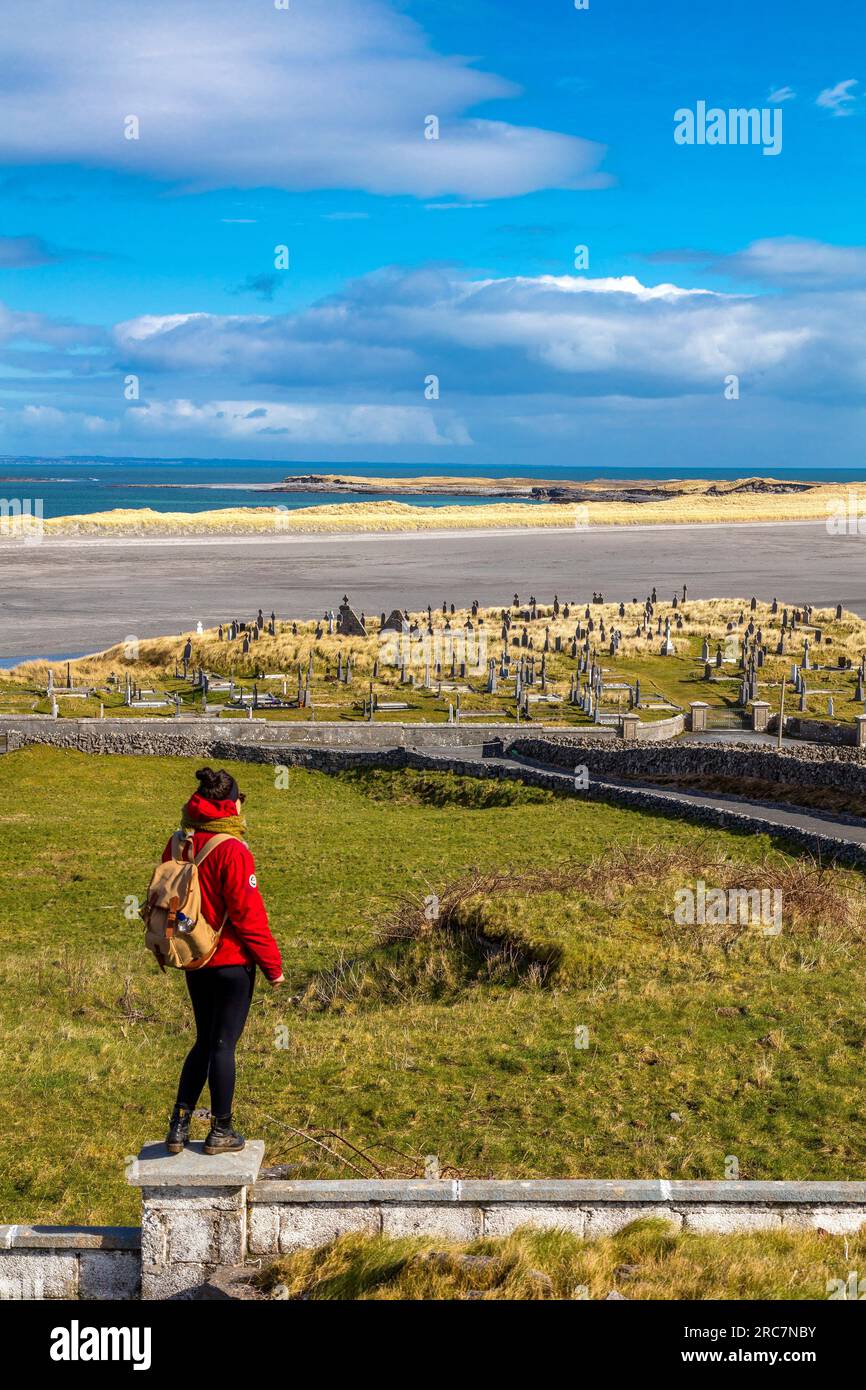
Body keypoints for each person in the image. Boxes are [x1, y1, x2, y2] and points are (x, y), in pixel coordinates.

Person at [165, 767, 284, 1156]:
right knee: (223, 1044)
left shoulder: (178, 842)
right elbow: (248, 915)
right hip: (231, 961)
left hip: (194, 957)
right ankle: (221, 1129)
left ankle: (179, 1126)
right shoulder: (233, 850)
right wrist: (273, 967)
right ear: (228, 804)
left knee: (203, 1040)